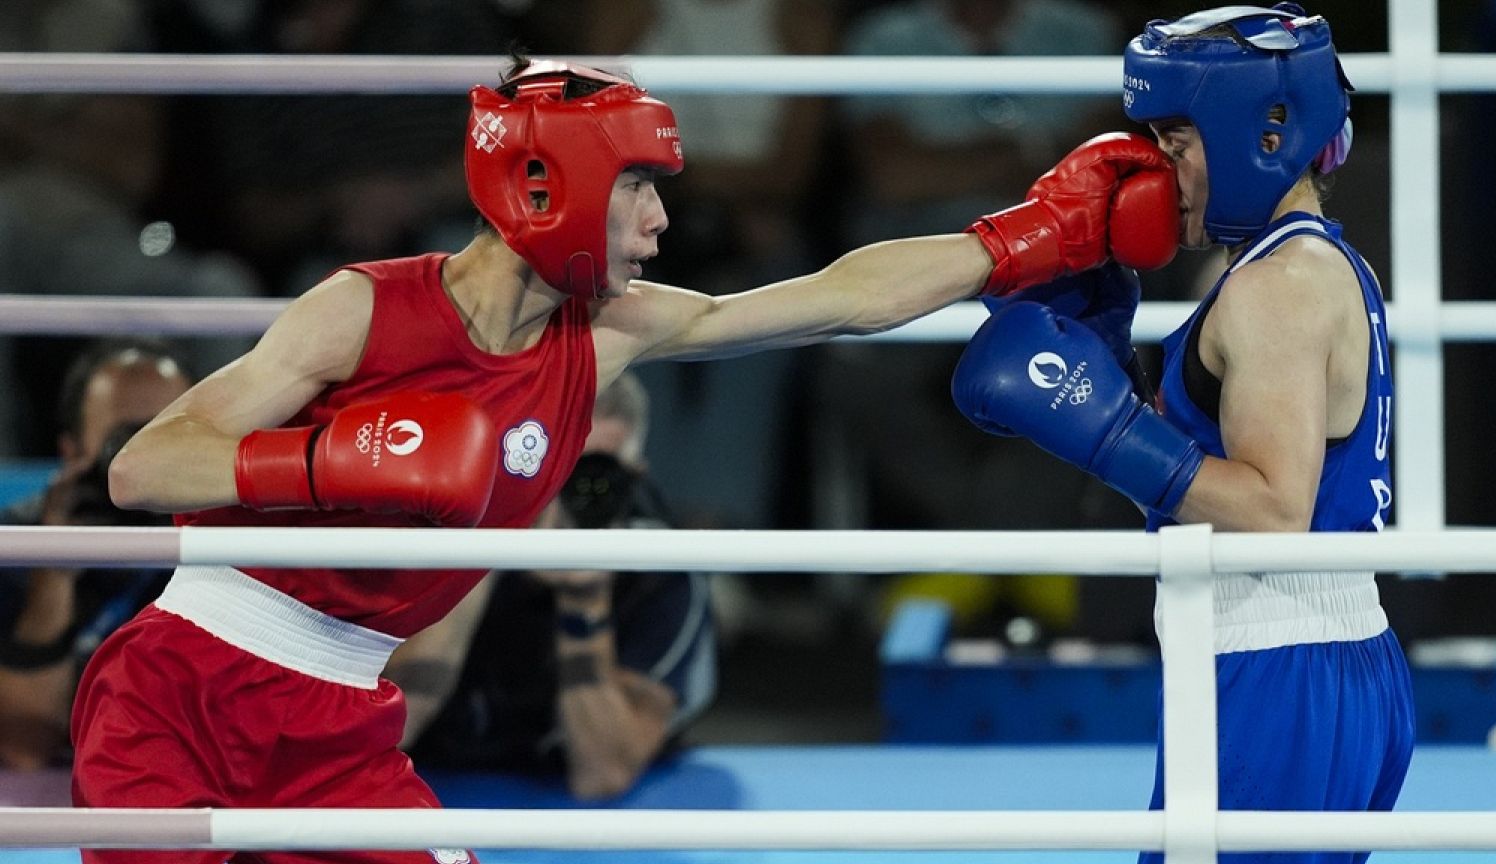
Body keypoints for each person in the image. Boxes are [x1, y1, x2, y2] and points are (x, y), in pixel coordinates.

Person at [88, 55, 1177, 864]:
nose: (660, 220)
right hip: (180, 686)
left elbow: (837, 298)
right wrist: (337, 460)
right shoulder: (364, 310)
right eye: (639, 187)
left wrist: (1023, 238)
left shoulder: (612, 327)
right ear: (549, 183)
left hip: (343, 722)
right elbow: (145, 469)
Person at [950, 6, 1413, 863]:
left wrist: (1106, 427)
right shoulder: (1301, 262)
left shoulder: (1278, 286)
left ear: (1263, 132)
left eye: (1177, 141)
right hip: (1312, 662)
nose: (1159, 172)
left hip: (1277, 668)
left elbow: (1274, 510)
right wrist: (1120, 387)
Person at [392, 373, 715, 800]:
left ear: (633, 475)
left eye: (591, 471)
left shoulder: (660, 568)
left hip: (563, 789)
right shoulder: (427, 530)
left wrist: (585, 600)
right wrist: (487, 548)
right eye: (552, 466)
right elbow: (396, 729)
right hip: (432, 772)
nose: (565, 492)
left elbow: (602, 775)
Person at [0, 339, 192, 770]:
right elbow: (23, 747)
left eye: (168, 434)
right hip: (51, 811)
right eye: (125, 439)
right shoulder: (14, 546)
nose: (147, 457)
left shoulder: (235, 540)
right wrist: (52, 574)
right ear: (72, 452)